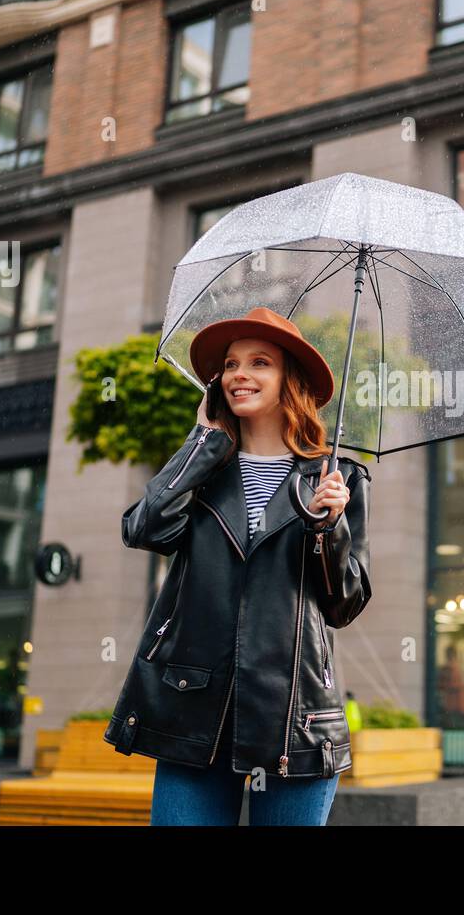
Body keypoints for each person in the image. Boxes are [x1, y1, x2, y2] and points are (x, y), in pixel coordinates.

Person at [120, 306, 372, 826]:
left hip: (293, 720)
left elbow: (344, 603)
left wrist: (330, 527)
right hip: (194, 712)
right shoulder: (203, 469)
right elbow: (143, 529)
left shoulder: (338, 477)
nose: (240, 374)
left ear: (289, 380)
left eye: (260, 362)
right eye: (231, 364)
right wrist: (202, 443)